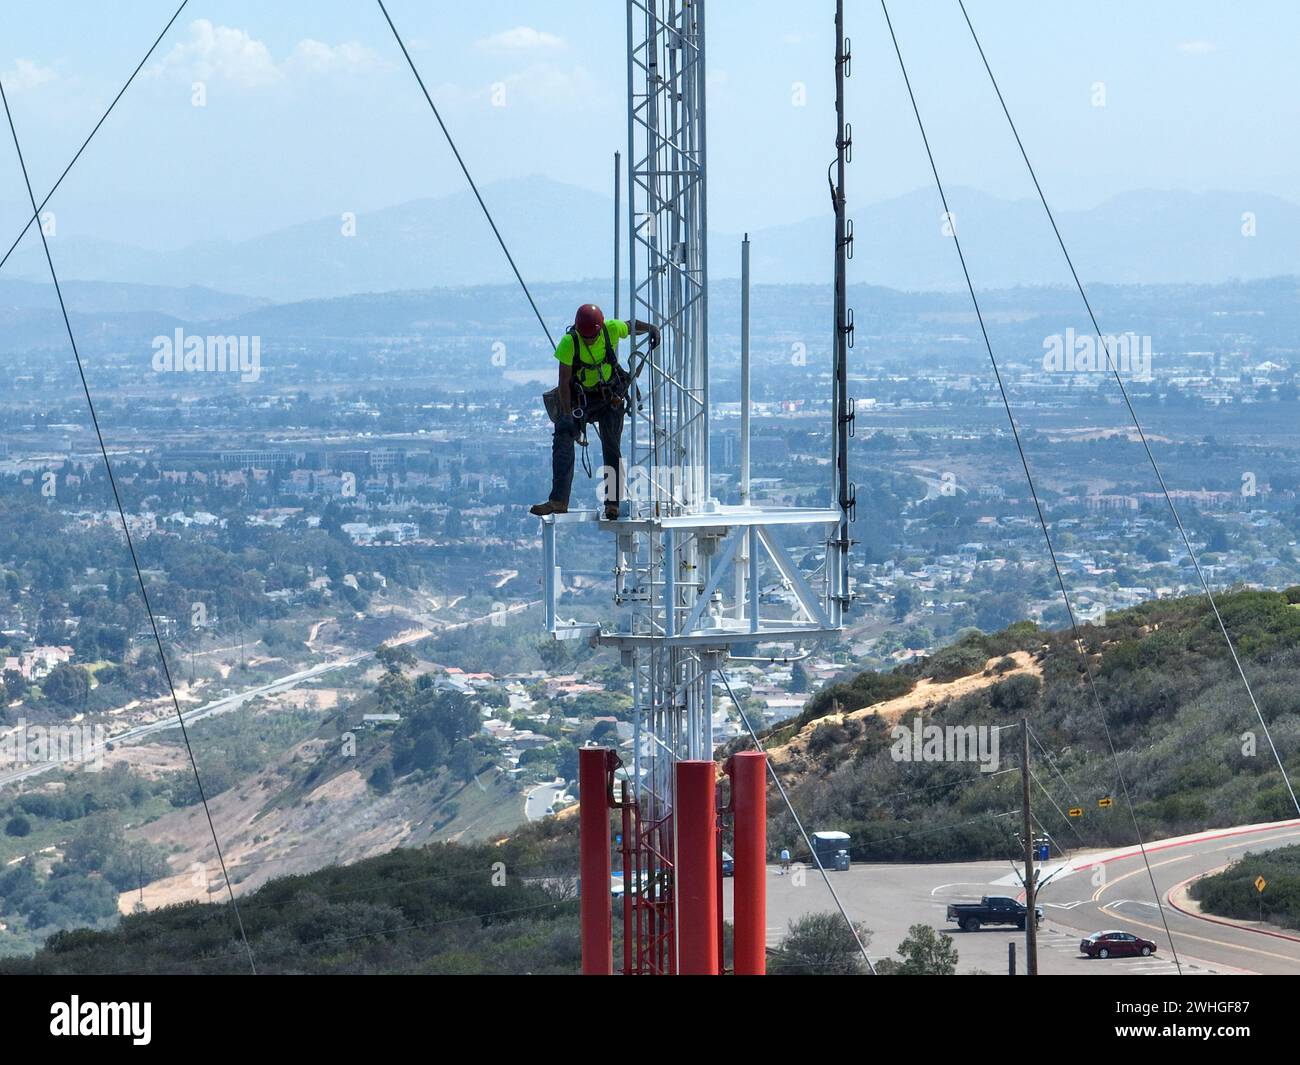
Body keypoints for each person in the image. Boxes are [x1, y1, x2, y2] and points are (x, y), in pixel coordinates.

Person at [529, 304, 659, 520]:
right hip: (582, 398)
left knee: (611, 446)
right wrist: (569, 416)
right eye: (585, 336)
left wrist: (651, 328)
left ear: (599, 330)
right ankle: (558, 500)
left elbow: (631, 325)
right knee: (563, 435)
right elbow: (564, 381)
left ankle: (613, 503)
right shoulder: (569, 342)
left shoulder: (610, 329)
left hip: (610, 396)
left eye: (591, 336)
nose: (588, 340)